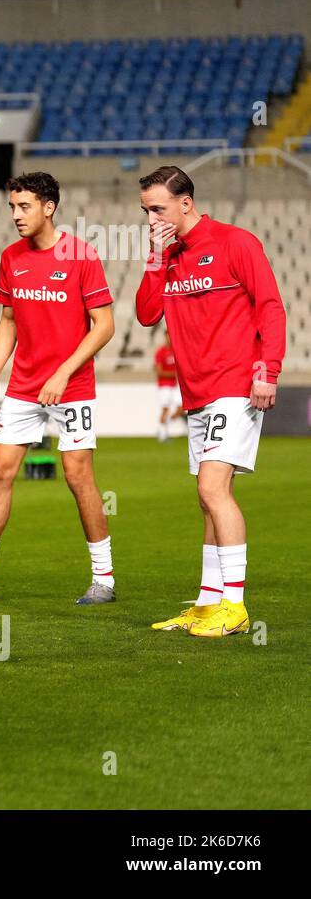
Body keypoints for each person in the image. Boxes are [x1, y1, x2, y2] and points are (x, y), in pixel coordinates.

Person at [0, 172, 117, 607]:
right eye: (12, 207)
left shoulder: (81, 255)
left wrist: (63, 372)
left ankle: (104, 579)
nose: (16, 215)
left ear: (49, 207)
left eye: (24, 207)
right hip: (22, 386)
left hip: (71, 387)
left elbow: (105, 326)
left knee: (78, 477)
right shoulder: (11, 257)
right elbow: (9, 320)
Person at [135, 165, 285, 638]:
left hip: (235, 384)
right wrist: (156, 259)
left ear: (185, 203)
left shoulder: (236, 243)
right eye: (145, 211)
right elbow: (145, 314)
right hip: (195, 391)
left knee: (212, 490)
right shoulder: (169, 255)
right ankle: (206, 602)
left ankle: (236, 607)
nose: (151, 219)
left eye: (157, 209)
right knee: (207, 499)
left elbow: (271, 306)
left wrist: (268, 370)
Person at [154, 329, 185, 442]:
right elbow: (159, 371)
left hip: (175, 385)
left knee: (181, 408)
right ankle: (162, 435)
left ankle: (163, 425)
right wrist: (175, 374)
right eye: (167, 336)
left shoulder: (176, 351)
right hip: (164, 385)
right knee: (165, 409)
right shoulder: (160, 352)